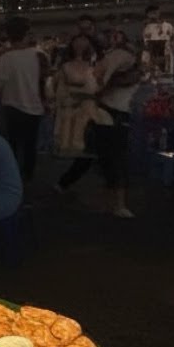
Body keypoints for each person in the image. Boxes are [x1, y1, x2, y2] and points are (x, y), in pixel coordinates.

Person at [56, 30, 139, 217]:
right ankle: (115, 202)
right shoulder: (112, 60)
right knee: (103, 156)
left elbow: (102, 82)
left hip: (108, 110)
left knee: (106, 156)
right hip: (103, 109)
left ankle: (115, 202)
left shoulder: (116, 59)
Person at [0, 16, 46, 182]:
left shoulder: (6, 58)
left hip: (12, 106)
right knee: (31, 144)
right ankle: (28, 175)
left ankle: (13, 176)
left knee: (13, 144)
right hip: (35, 106)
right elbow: (44, 81)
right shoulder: (39, 55)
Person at [53, 35, 100, 157]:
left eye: (83, 43)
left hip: (87, 108)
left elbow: (95, 88)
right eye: (77, 43)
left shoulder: (93, 66)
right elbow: (60, 89)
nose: (80, 47)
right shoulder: (66, 66)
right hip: (70, 107)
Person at [142, 6, 173, 77]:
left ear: (159, 13)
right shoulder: (146, 27)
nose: (153, 15)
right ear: (148, 15)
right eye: (151, 13)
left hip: (164, 54)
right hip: (151, 54)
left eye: (155, 13)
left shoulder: (167, 26)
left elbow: (172, 40)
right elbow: (145, 43)